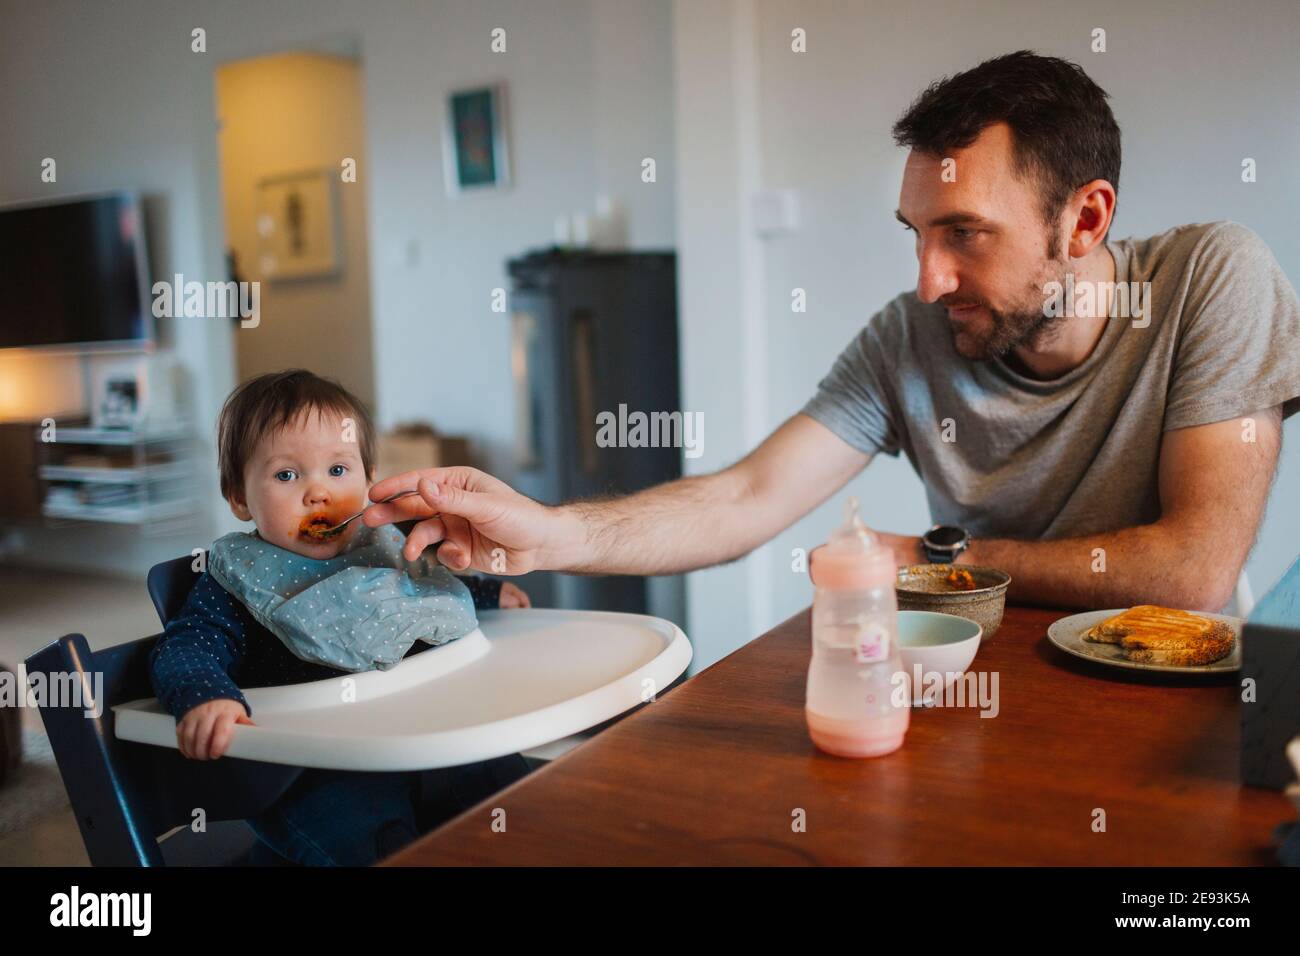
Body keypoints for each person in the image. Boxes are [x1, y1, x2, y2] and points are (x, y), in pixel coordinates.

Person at [365, 51, 1299, 614]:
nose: (928, 282)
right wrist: (547, 534)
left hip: (1175, 698)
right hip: (975, 679)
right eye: (919, 235)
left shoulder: (1213, 279)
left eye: (965, 233)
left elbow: (1192, 571)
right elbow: (743, 498)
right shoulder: (911, 337)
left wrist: (933, 561)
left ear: (1086, 220)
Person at [150, 369, 531, 865]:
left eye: (338, 470)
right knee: (373, 843)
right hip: (310, 769)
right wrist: (206, 696)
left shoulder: (383, 545)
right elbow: (186, 646)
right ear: (240, 497)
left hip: (418, 731)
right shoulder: (240, 580)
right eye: (286, 475)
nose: (318, 493)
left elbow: (420, 585)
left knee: (510, 790)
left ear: (370, 480)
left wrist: (483, 590)